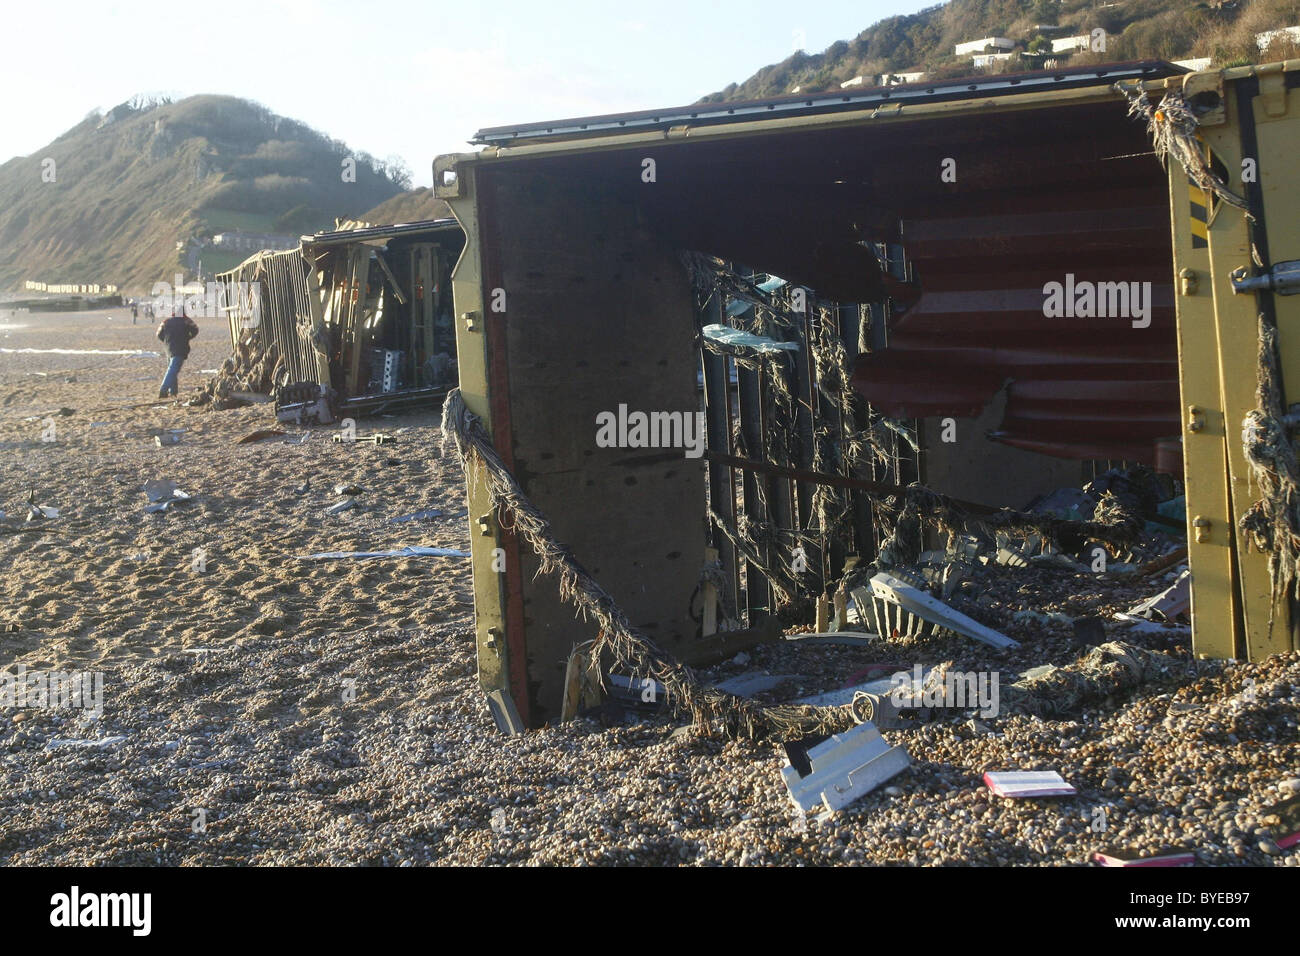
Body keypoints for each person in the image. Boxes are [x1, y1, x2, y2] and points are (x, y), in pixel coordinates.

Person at [156, 308, 199, 398]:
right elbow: (195, 330)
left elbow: (159, 334)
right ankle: (163, 390)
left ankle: (173, 391)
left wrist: (166, 341)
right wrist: (188, 337)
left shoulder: (166, 321)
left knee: (172, 369)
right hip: (180, 348)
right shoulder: (186, 321)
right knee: (173, 369)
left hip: (168, 348)